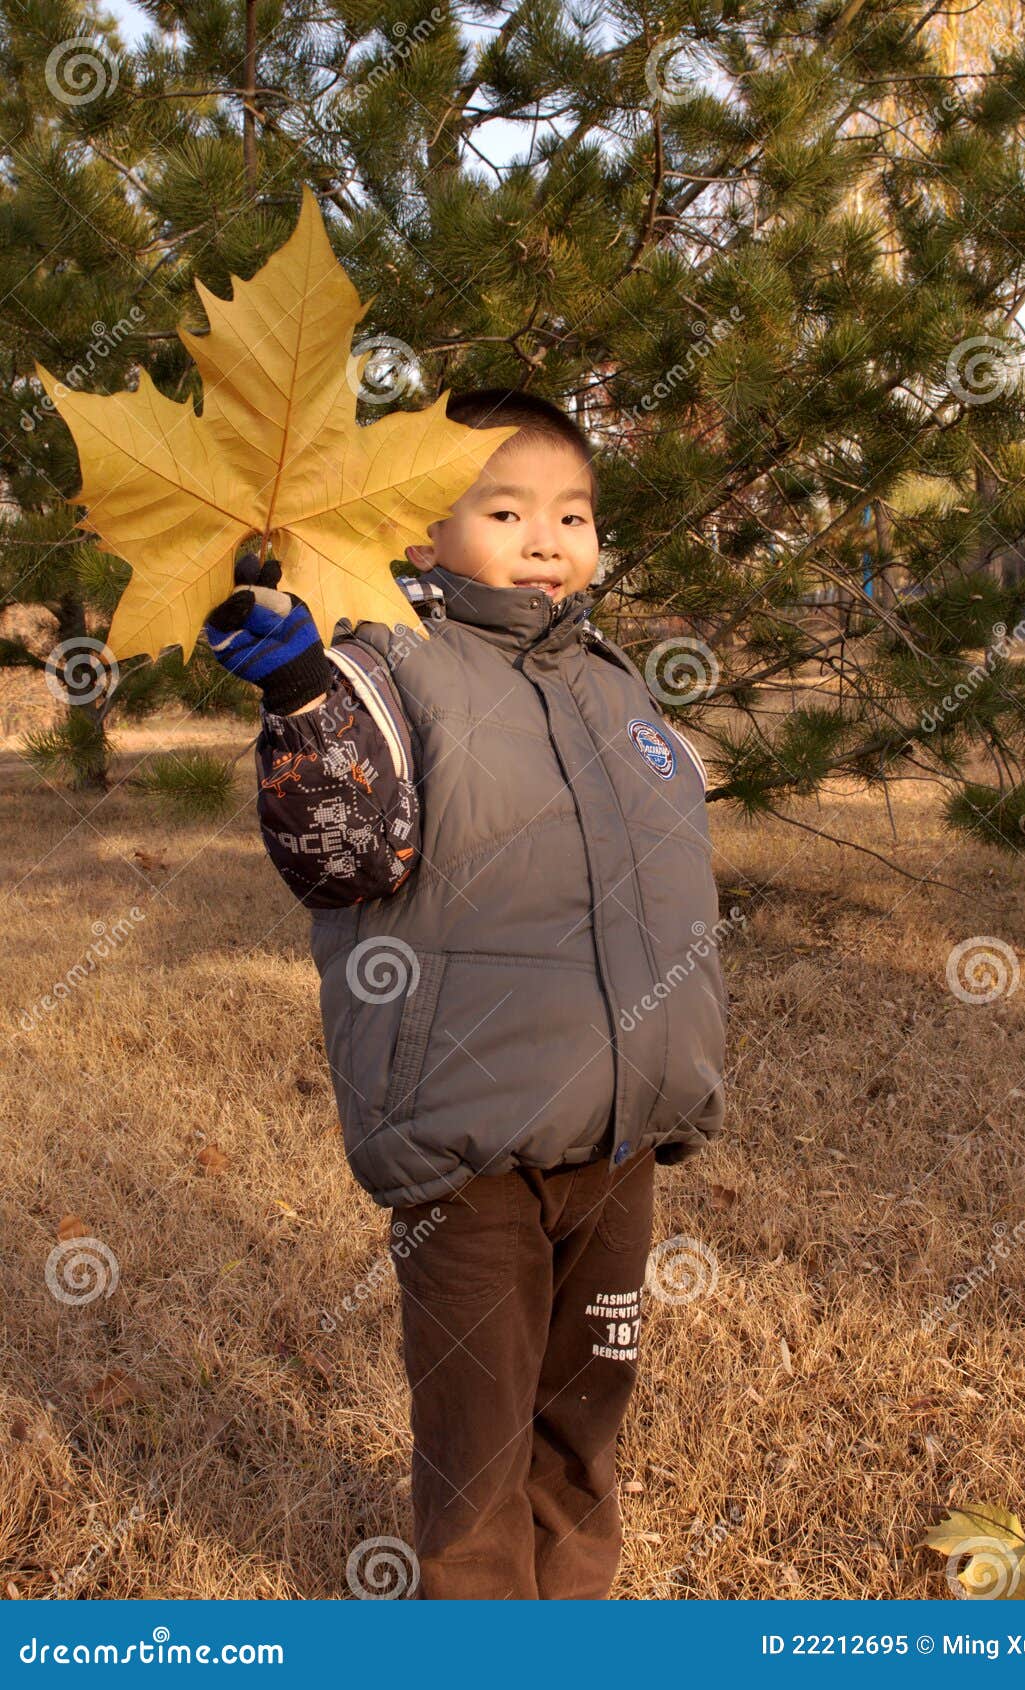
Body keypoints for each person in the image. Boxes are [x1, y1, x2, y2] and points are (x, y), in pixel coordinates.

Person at [203, 387, 728, 1600]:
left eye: (574, 514)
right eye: (506, 510)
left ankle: (574, 1619)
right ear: (420, 532)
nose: (549, 541)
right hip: (473, 1151)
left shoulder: (616, 685)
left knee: (582, 1426)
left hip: (619, 1141)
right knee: (479, 1449)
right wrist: (296, 699)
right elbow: (344, 854)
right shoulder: (384, 671)